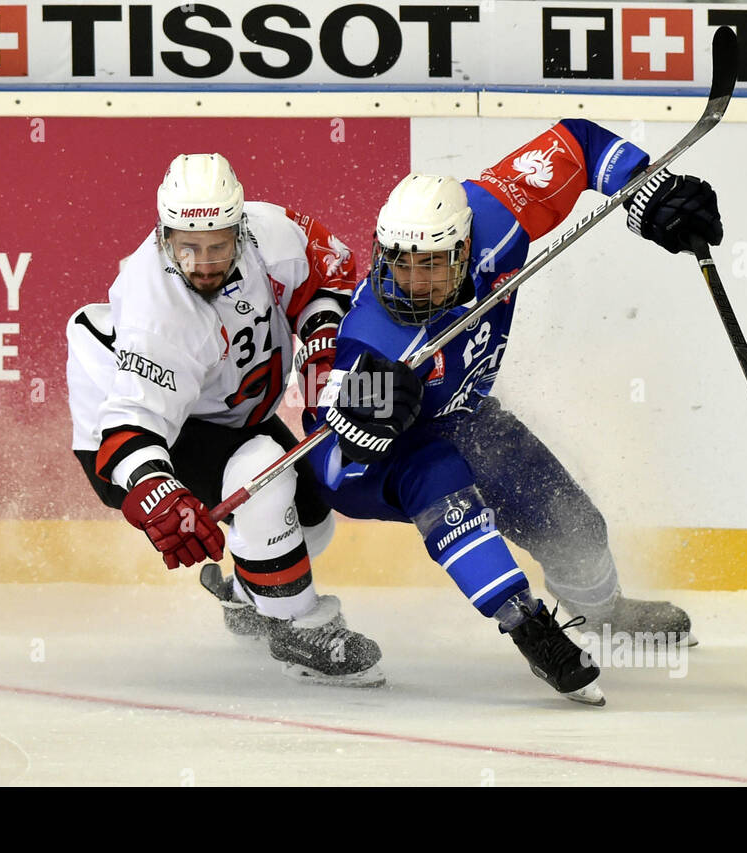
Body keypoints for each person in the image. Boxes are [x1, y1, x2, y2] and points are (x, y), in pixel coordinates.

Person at [308, 121, 723, 706]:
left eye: (432, 265)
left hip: (469, 418)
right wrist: (360, 424)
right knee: (444, 486)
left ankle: (603, 609)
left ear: (465, 250)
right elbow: (327, 467)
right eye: (400, 264)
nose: (412, 282)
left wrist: (647, 190)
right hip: (392, 455)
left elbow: (577, 144)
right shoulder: (371, 339)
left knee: (575, 524)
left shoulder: (496, 220)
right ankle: (526, 623)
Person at [66, 153, 384, 687]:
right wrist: (155, 489)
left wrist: (325, 337)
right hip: (137, 438)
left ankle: (246, 594)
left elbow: (323, 271)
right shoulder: (158, 314)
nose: (203, 262)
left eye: (217, 244)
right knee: (263, 475)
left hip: (233, 414)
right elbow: (129, 425)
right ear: (164, 235)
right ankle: (297, 627)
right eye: (187, 247)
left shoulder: (272, 234)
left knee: (313, 513)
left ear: (241, 228)